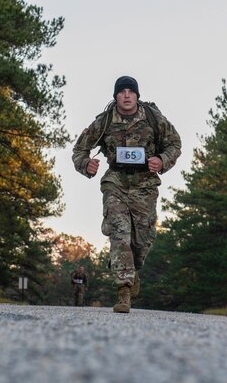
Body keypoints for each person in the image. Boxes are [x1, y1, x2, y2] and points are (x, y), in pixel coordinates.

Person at [72, 76, 181, 313]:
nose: (127, 95)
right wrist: (86, 165)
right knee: (119, 231)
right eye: (122, 92)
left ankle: (132, 269)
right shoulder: (104, 121)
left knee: (143, 239)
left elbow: (175, 144)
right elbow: (80, 149)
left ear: (137, 95)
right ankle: (123, 290)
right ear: (116, 96)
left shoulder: (153, 118)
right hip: (116, 183)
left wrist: (161, 160)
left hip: (145, 185)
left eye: (131, 91)